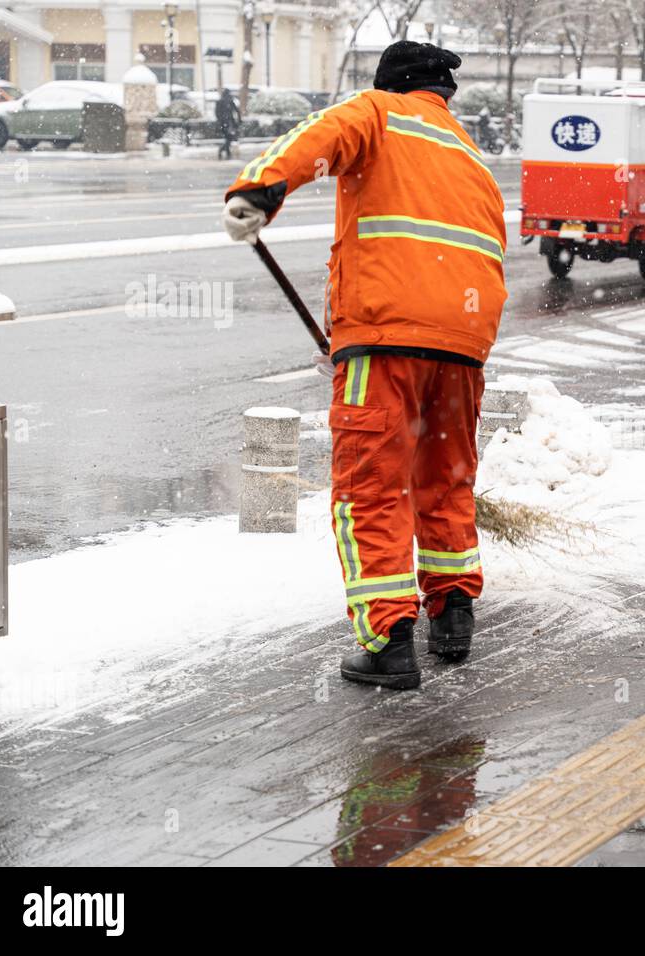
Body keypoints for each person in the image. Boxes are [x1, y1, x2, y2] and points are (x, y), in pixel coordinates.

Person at [221, 41, 508, 691]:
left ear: (390, 82)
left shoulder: (377, 112)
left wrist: (257, 191)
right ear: (444, 93)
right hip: (465, 346)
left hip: (385, 338)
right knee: (446, 478)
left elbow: (318, 139)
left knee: (372, 486)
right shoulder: (470, 155)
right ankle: (453, 614)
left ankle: (387, 641)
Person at [215, 87, 241, 160]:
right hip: (229, 123)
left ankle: (225, 151)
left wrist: (220, 121)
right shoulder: (230, 101)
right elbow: (237, 111)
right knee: (229, 138)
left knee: (228, 138)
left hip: (223, 123)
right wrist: (239, 120)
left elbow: (217, 113)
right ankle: (224, 150)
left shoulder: (220, 101)